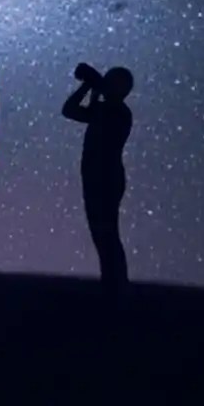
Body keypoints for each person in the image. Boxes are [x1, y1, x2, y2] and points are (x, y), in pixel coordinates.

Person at [61, 62, 133, 293]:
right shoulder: (108, 110)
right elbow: (69, 110)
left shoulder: (119, 113)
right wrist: (89, 85)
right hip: (97, 177)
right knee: (102, 234)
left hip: (106, 179)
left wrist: (94, 85)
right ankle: (112, 283)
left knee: (107, 233)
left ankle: (116, 285)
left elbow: (93, 112)